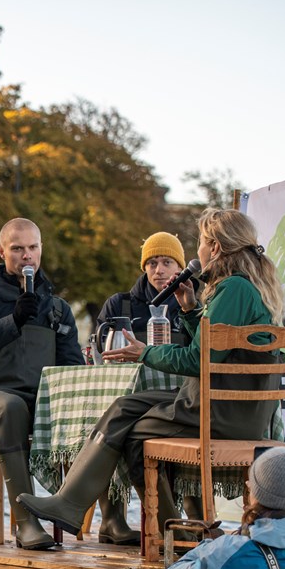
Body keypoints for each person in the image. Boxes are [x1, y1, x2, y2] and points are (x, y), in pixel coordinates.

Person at [20, 208, 285, 537]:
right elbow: (210, 348)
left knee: (135, 436)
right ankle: (73, 502)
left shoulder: (232, 288)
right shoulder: (245, 286)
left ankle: (167, 528)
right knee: (123, 406)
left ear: (215, 247)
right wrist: (190, 310)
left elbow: (197, 360)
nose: (198, 251)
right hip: (230, 405)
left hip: (223, 410)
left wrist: (144, 352)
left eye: (201, 243)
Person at [0, 217, 83, 550]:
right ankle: (26, 523)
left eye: (33, 248)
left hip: (39, 404)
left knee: (102, 412)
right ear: (1, 251)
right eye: (17, 249)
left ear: (41, 250)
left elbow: (72, 369)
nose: (27, 256)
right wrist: (13, 321)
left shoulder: (57, 308)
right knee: (12, 407)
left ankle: (109, 520)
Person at [91, 232, 192, 545]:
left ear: (180, 266)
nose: (158, 269)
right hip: (127, 393)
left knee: (133, 425)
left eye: (166, 262)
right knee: (106, 413)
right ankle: (112, 518)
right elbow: (96, 350)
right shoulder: (119, 304)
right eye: (151, 262)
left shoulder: (190, 303)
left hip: (176, 397)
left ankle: (190, 513)